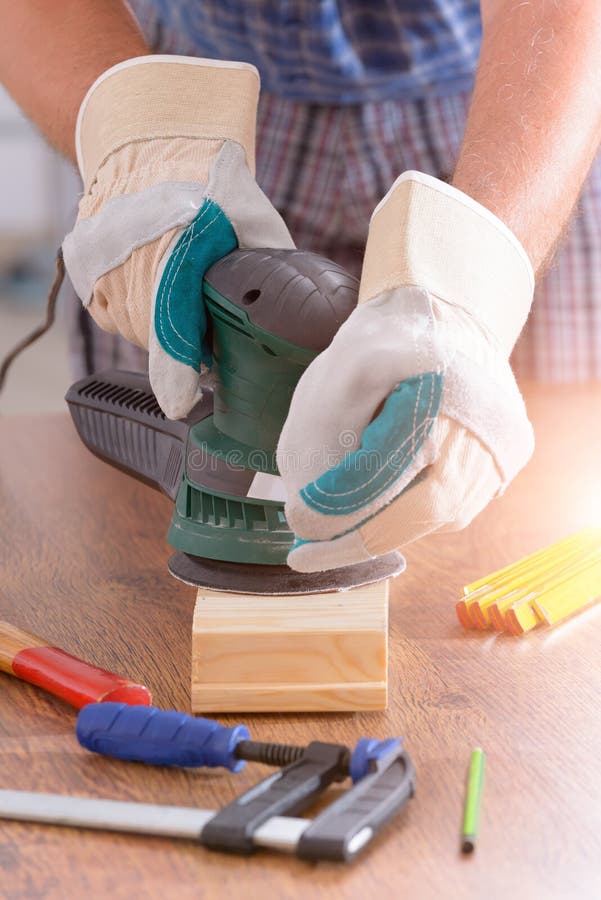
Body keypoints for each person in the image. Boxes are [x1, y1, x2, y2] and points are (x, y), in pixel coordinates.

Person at [1, 1, 600, 571]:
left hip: (502, 109)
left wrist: (471, 283)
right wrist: (138, 151)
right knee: (129, 545)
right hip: (194, 111)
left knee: (524, 498)